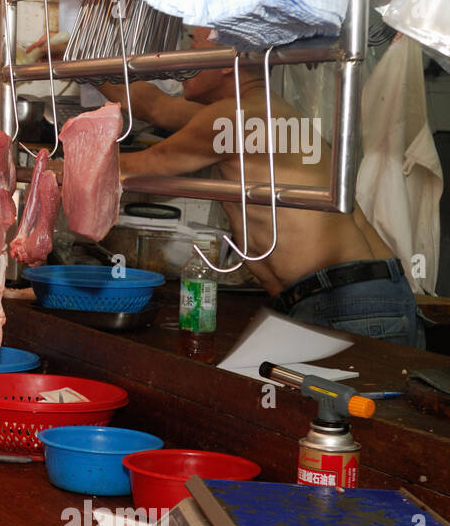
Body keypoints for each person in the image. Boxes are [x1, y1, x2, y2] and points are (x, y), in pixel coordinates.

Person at [105, 29, 423, 347]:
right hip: (358, 295)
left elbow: (138, 165)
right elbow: (155, 107)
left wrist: (59, 164)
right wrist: (72, 67)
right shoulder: (256, 112)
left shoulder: (235, 116)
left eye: (192, 45)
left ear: (227, 61)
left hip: (346, 301)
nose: (182, 62)